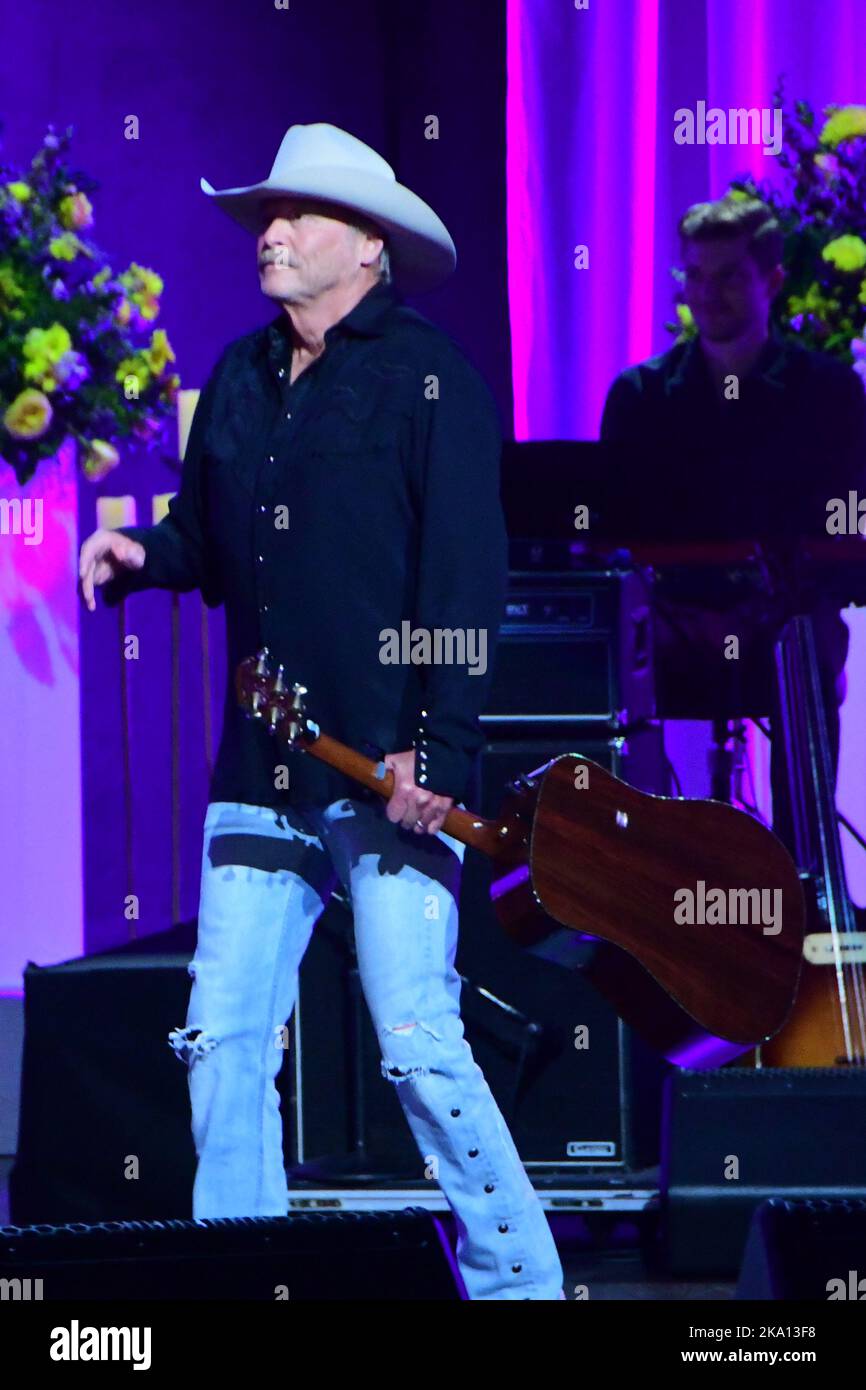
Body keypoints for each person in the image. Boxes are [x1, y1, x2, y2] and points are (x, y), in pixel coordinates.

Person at [78, 122, 564, 1300]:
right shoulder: (240, 375)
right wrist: (138, 553)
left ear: (369, 247)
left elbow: (462, 573)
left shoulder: (427, 377)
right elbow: (206, 535)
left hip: (386, 759)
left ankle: (518, 1279)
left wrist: (439, 748)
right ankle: (247, 1273)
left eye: (298, 216)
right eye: (265, 217)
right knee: (224, 1035)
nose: (273, 234)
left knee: (414, 1034)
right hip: (262, 759)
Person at [600, 195, 866, 855]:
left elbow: (850, 527)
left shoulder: (830, 393)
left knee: (802, 652)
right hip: (671, 618)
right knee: (605, 659)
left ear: (771, 281)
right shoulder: (639, 397)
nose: (707, 293)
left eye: (727, 277)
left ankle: (803, 882)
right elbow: (615, 536)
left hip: (784, 617)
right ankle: (633, 877)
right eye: (695, 275)